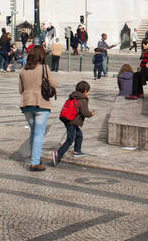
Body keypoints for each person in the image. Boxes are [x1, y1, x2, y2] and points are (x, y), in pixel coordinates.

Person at [18, 42, 56, 171]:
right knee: (39, 133)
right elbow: (54, 84)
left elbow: (20, 89)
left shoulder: (23, 69)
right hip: (41, 103)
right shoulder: (44, 68)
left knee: (33, 131)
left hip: (26, 103)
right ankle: (34, 162)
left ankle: (34, 156)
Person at [53, 81, 93, 163]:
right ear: (85, 91)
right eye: (87, 91)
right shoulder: (83, 99)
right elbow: (85, 113)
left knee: (79, 135)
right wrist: (91, 114)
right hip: (72, 121)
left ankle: (77, 151)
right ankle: (58, 153)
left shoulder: (72, 96)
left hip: (67, 119)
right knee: (70, 139)